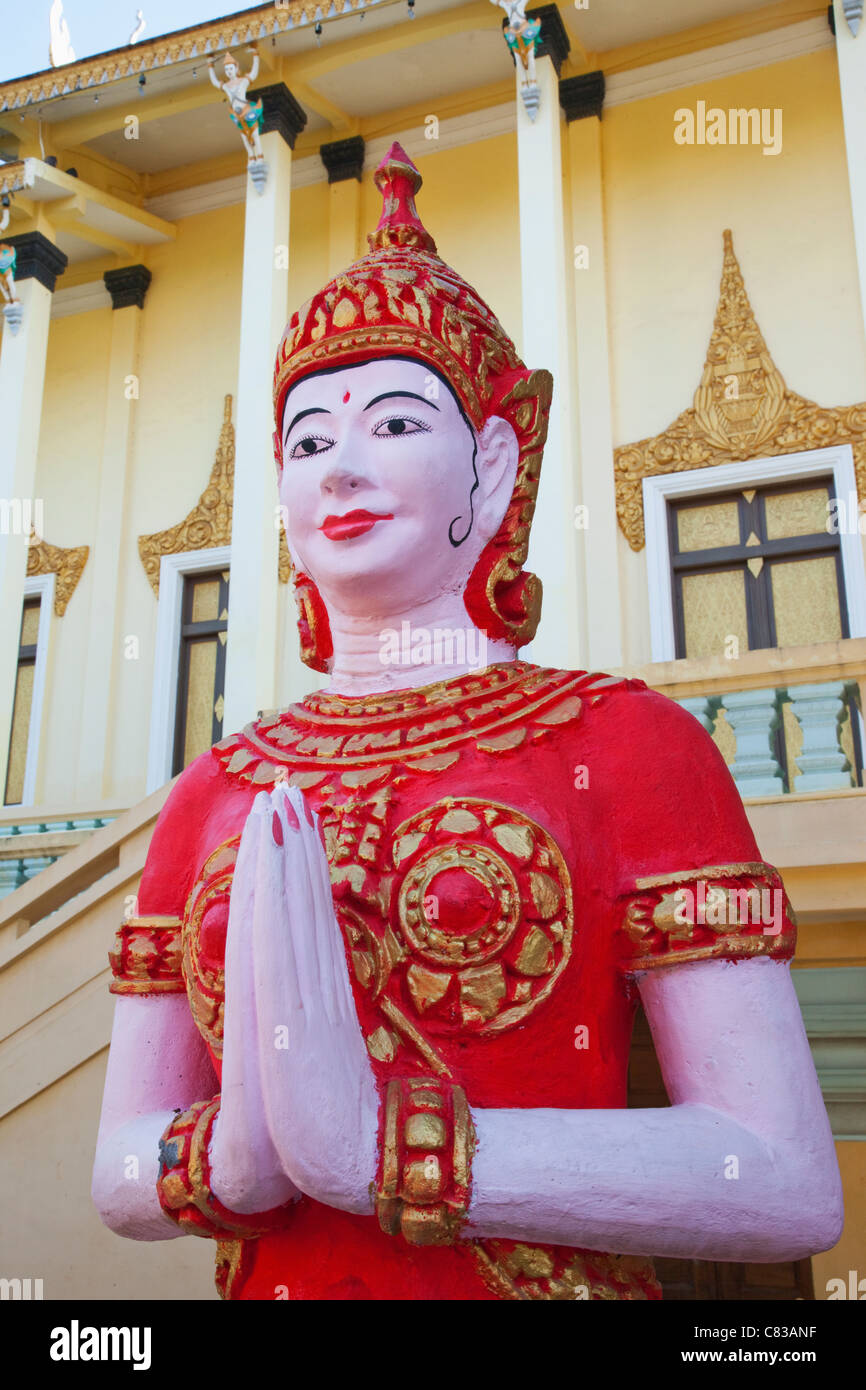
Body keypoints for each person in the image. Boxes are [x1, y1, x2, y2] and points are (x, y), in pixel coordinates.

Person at [92, 143, 843, 1301]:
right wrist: (238, 1152)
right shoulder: (215, 793)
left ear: (491, 468)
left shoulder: (622, 745)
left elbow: (781, 1175)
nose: (339, 469)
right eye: (305, 442)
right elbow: (117, 1167)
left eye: (393, 425)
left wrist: (375, 1150)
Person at [208, 48, 264, 164]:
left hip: (247, 111)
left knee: (255, 135)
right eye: (227, 69)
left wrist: (255, 54)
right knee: (244, 138)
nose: (229, 71)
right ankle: (251, 157)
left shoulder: (243, 81)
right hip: (237, 115)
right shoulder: (226, 86)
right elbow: (214, 82)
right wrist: (210, 65)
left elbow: (254, 73)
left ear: (236, 68)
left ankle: (260, 156)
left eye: (231, 68)